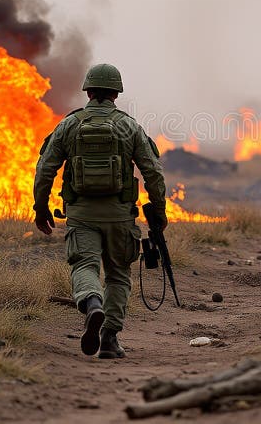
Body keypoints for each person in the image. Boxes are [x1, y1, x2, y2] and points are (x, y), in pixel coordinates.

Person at [32, 63, 167, 358]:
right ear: (116, 94)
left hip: (81, 216)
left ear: (89, 91)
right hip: (120, 217)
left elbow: (45, 170)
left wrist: (40, 208)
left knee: (85, 267)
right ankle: (109, 339)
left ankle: (92, 304)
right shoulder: (129, 126)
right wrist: (159, 211)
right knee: (118, 275)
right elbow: (153, 173)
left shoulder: (69, 125)